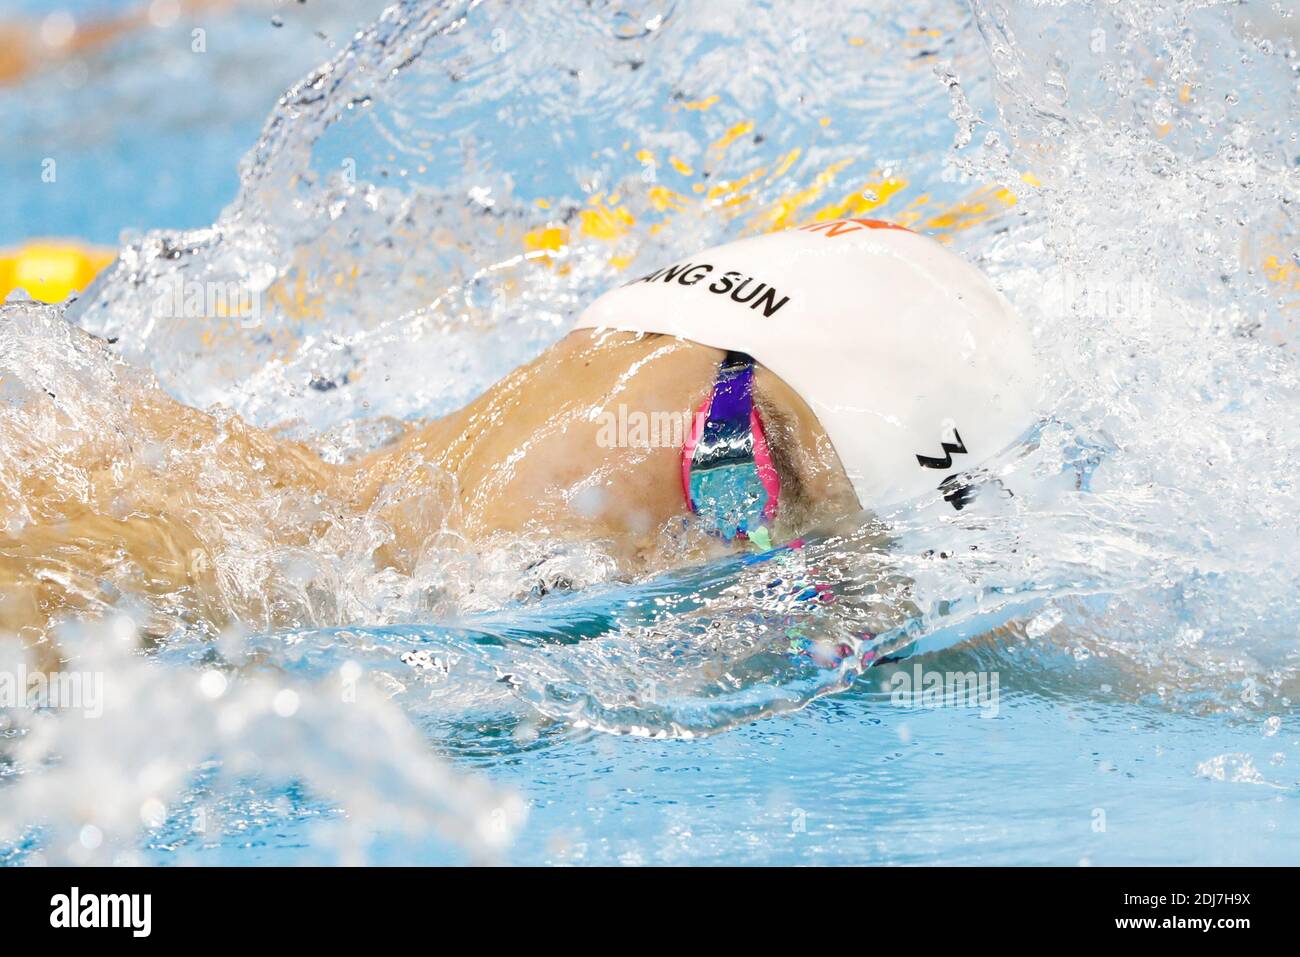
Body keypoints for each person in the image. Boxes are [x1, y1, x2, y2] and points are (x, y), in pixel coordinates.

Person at [0, 219, 1036, 649]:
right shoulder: (86, 541)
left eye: (795, 572)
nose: (679, 570)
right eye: (744, 468)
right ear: (610, 343)